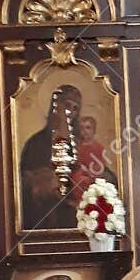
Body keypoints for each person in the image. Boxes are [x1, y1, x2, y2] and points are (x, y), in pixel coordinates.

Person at [20, 83, 82, 229]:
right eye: (67, 105)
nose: (70, 112)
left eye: (75, 108)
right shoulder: (36, 143)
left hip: (74, 209)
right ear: (55, 107)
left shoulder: (79, 141)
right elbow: (24, 180)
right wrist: (43, 180)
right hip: (44, 211)